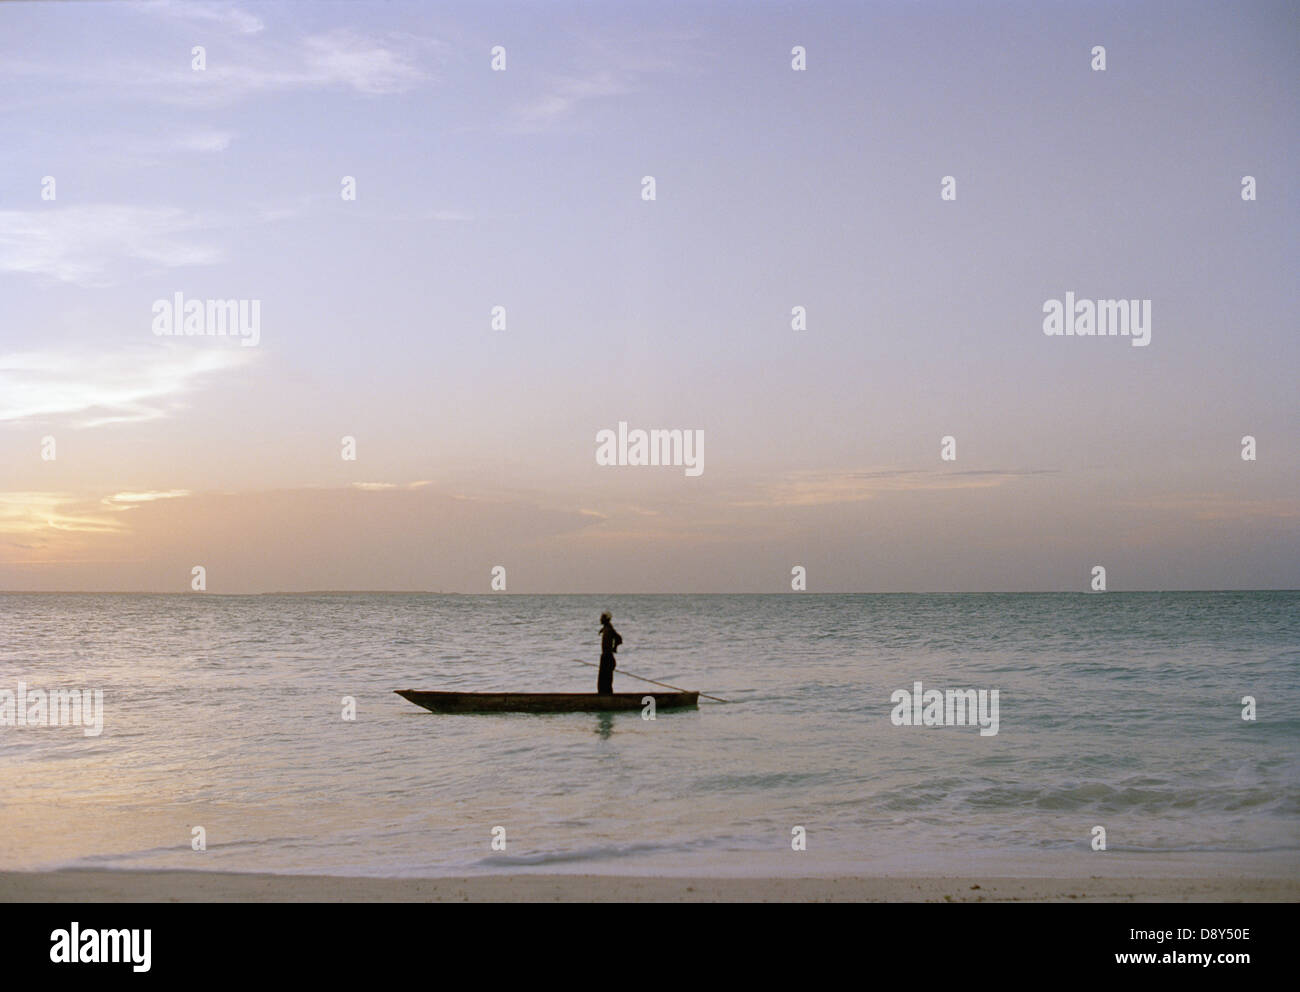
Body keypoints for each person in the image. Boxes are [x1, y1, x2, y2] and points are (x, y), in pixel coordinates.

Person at [597, 611, 622, 694]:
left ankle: (606, 697)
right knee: (603, 681)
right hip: (605, 656)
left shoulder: (609, 629)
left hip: (607, 657)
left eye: (602, 618)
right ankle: (605, 696)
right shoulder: (606, 628)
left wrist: (614, 648)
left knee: (605, 681)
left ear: (606, 619)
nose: (600, 619)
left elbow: (619, 638)